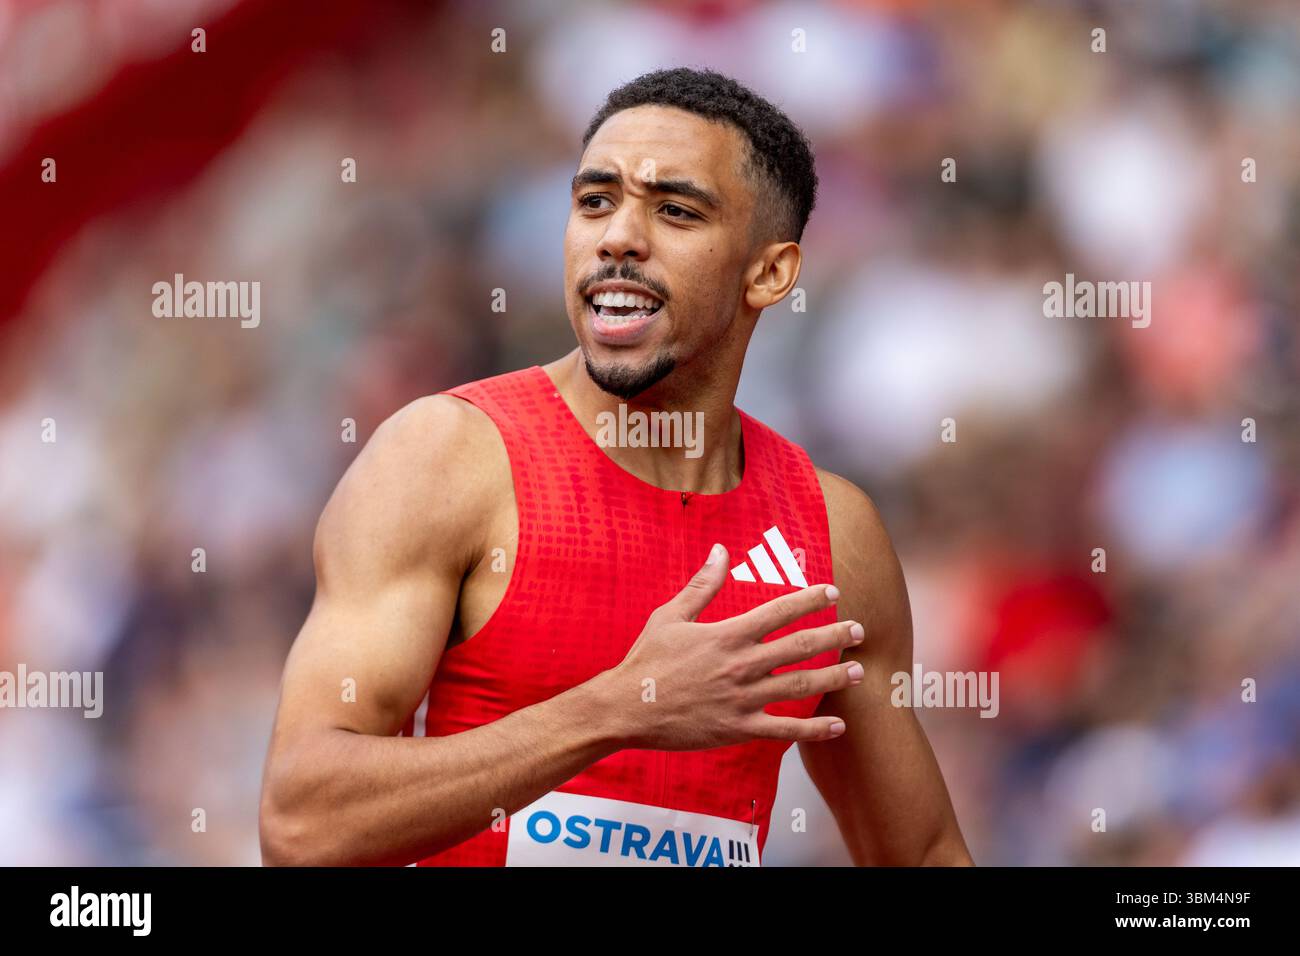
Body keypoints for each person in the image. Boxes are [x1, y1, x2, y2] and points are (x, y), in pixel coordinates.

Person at [259, 67, 972, 867]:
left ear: (768, 273)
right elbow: (303, 822)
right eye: (595, 201)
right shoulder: (447, 459)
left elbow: (922, 853)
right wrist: (619, 708)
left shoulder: (831, 536)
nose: (618, 237)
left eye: (674, 211)